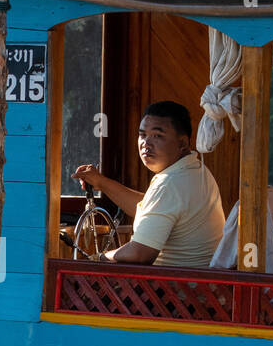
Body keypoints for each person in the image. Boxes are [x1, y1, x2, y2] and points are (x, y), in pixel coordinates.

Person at [72, 100, 225, 267]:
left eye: (157, 135)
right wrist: (101, 183)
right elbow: (151, 208)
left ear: (182, 143)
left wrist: (98, 258)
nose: (146, 143)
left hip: (177, 291)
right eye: (142, 134)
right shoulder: (195, 171)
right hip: (200, 288)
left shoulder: (170, 184)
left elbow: (139, 254)